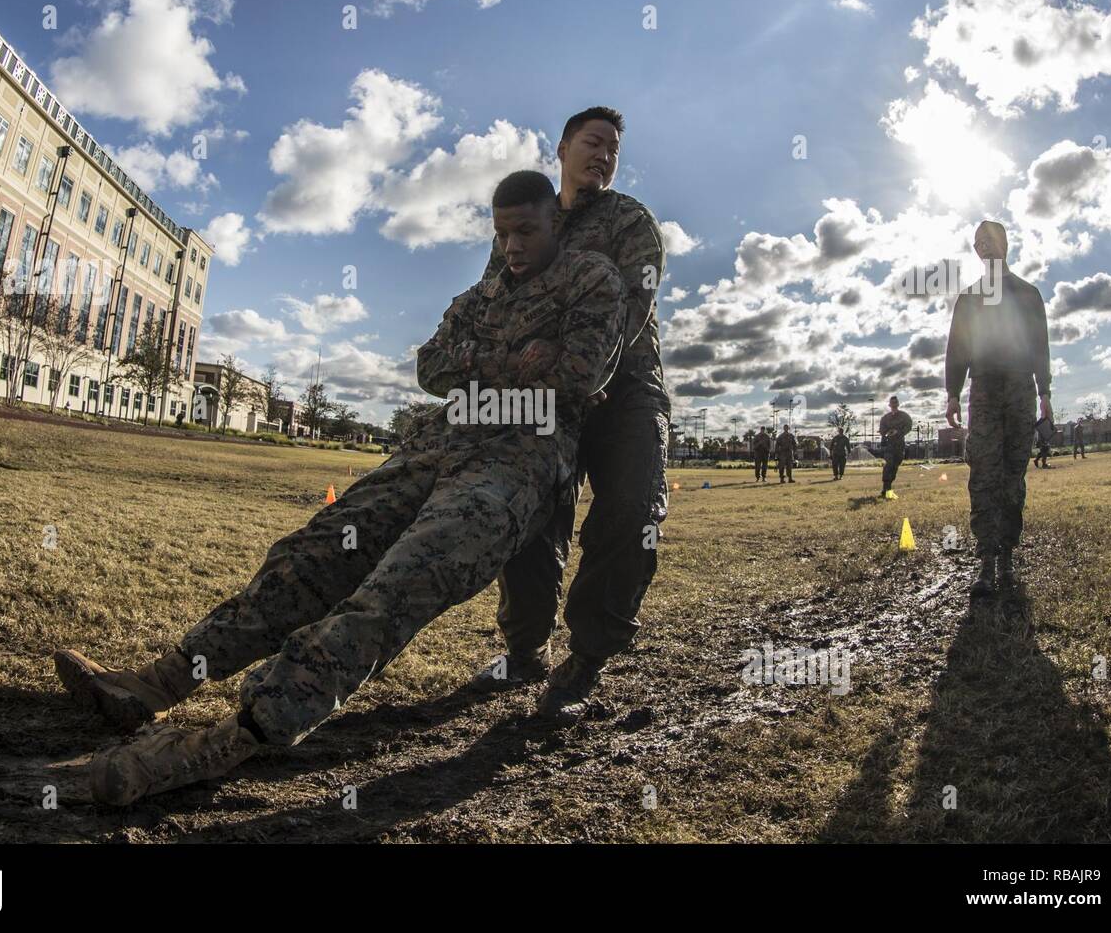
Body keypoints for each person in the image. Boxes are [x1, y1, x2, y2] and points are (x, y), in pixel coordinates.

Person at [52, 171, 627, 805]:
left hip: (515, 464)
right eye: (501, 233)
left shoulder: (594, 278)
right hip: (436, 445)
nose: (512, 246)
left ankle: (229, 739)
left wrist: (491, 367)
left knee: (396, 587)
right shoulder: (480, 296)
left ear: (554, 225)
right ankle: (157, 684)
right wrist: (510, 362)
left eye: (526, 231)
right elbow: (431, 365)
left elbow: (581, 373)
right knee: (311, 555)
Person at [471, 107, 670, 719]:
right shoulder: (529, 225)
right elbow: (491, 305)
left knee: (632, 509)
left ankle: (587, 658)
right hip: (545, 400)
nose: (604, 154)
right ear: (561, 148)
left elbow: (633, 305)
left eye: (613, 148)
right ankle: (524, 648)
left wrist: (580, 365)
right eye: (593, 142)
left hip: (626, 389)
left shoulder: (632, 220)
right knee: (530, 520)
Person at [945, 220, 1052, 597]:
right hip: (985, 389)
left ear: (1004, 244)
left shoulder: (1027, 293)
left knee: (1013, 473)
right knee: (983, 474)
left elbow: (1040, 344)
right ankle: (986, 561)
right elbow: (957, 348)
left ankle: (1006, 556)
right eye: (977, 244)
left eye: (989, 241)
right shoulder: (970, 298)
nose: (983, 248)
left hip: (1021, 388)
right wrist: (953, 393)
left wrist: (1045, 391)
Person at [878, 396, 913, 497]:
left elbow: (909, 426)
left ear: (897, 404)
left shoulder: (904, 416)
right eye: (892, 402)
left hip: (900, 444)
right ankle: (886, 489)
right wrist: (887, 432)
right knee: (889, 465)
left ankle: (888, 485)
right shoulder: (885, 418)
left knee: (895, 466)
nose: (893, 404)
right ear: (889, 405)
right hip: (889, 445)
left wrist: (898, 432)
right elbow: (882, 430)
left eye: (895, 402)